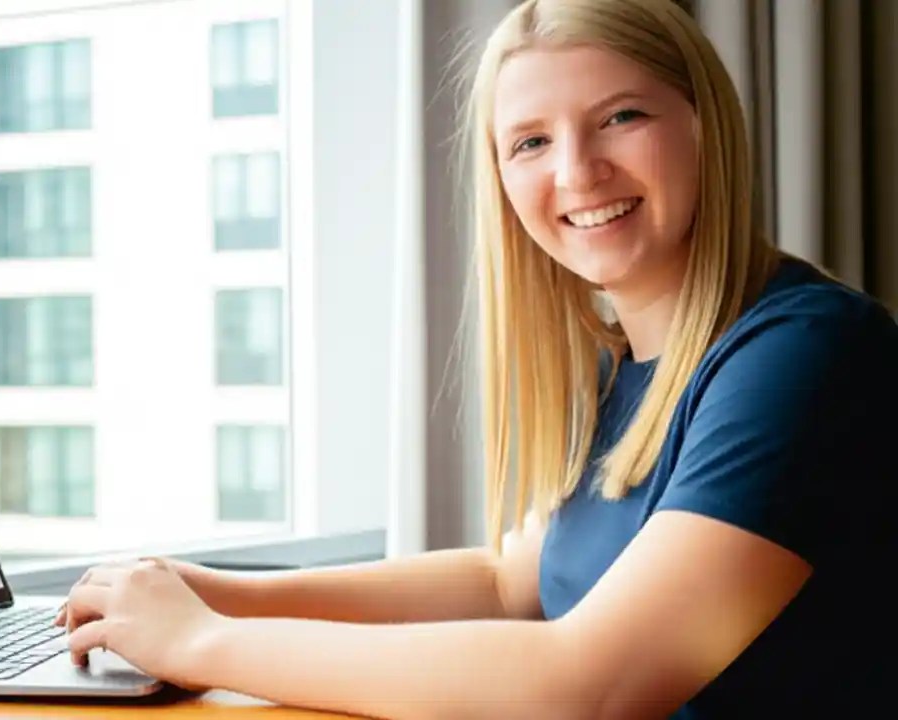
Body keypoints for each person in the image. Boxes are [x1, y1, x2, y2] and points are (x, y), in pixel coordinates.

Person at [53, 0, 897, 717]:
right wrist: (216, 589)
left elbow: (593, 685)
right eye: (530, 142)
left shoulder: (805, 355)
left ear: (705, 127)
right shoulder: (628, 366)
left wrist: (206, 641)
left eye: (621, 118)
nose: (578, 171)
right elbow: (505, 583)